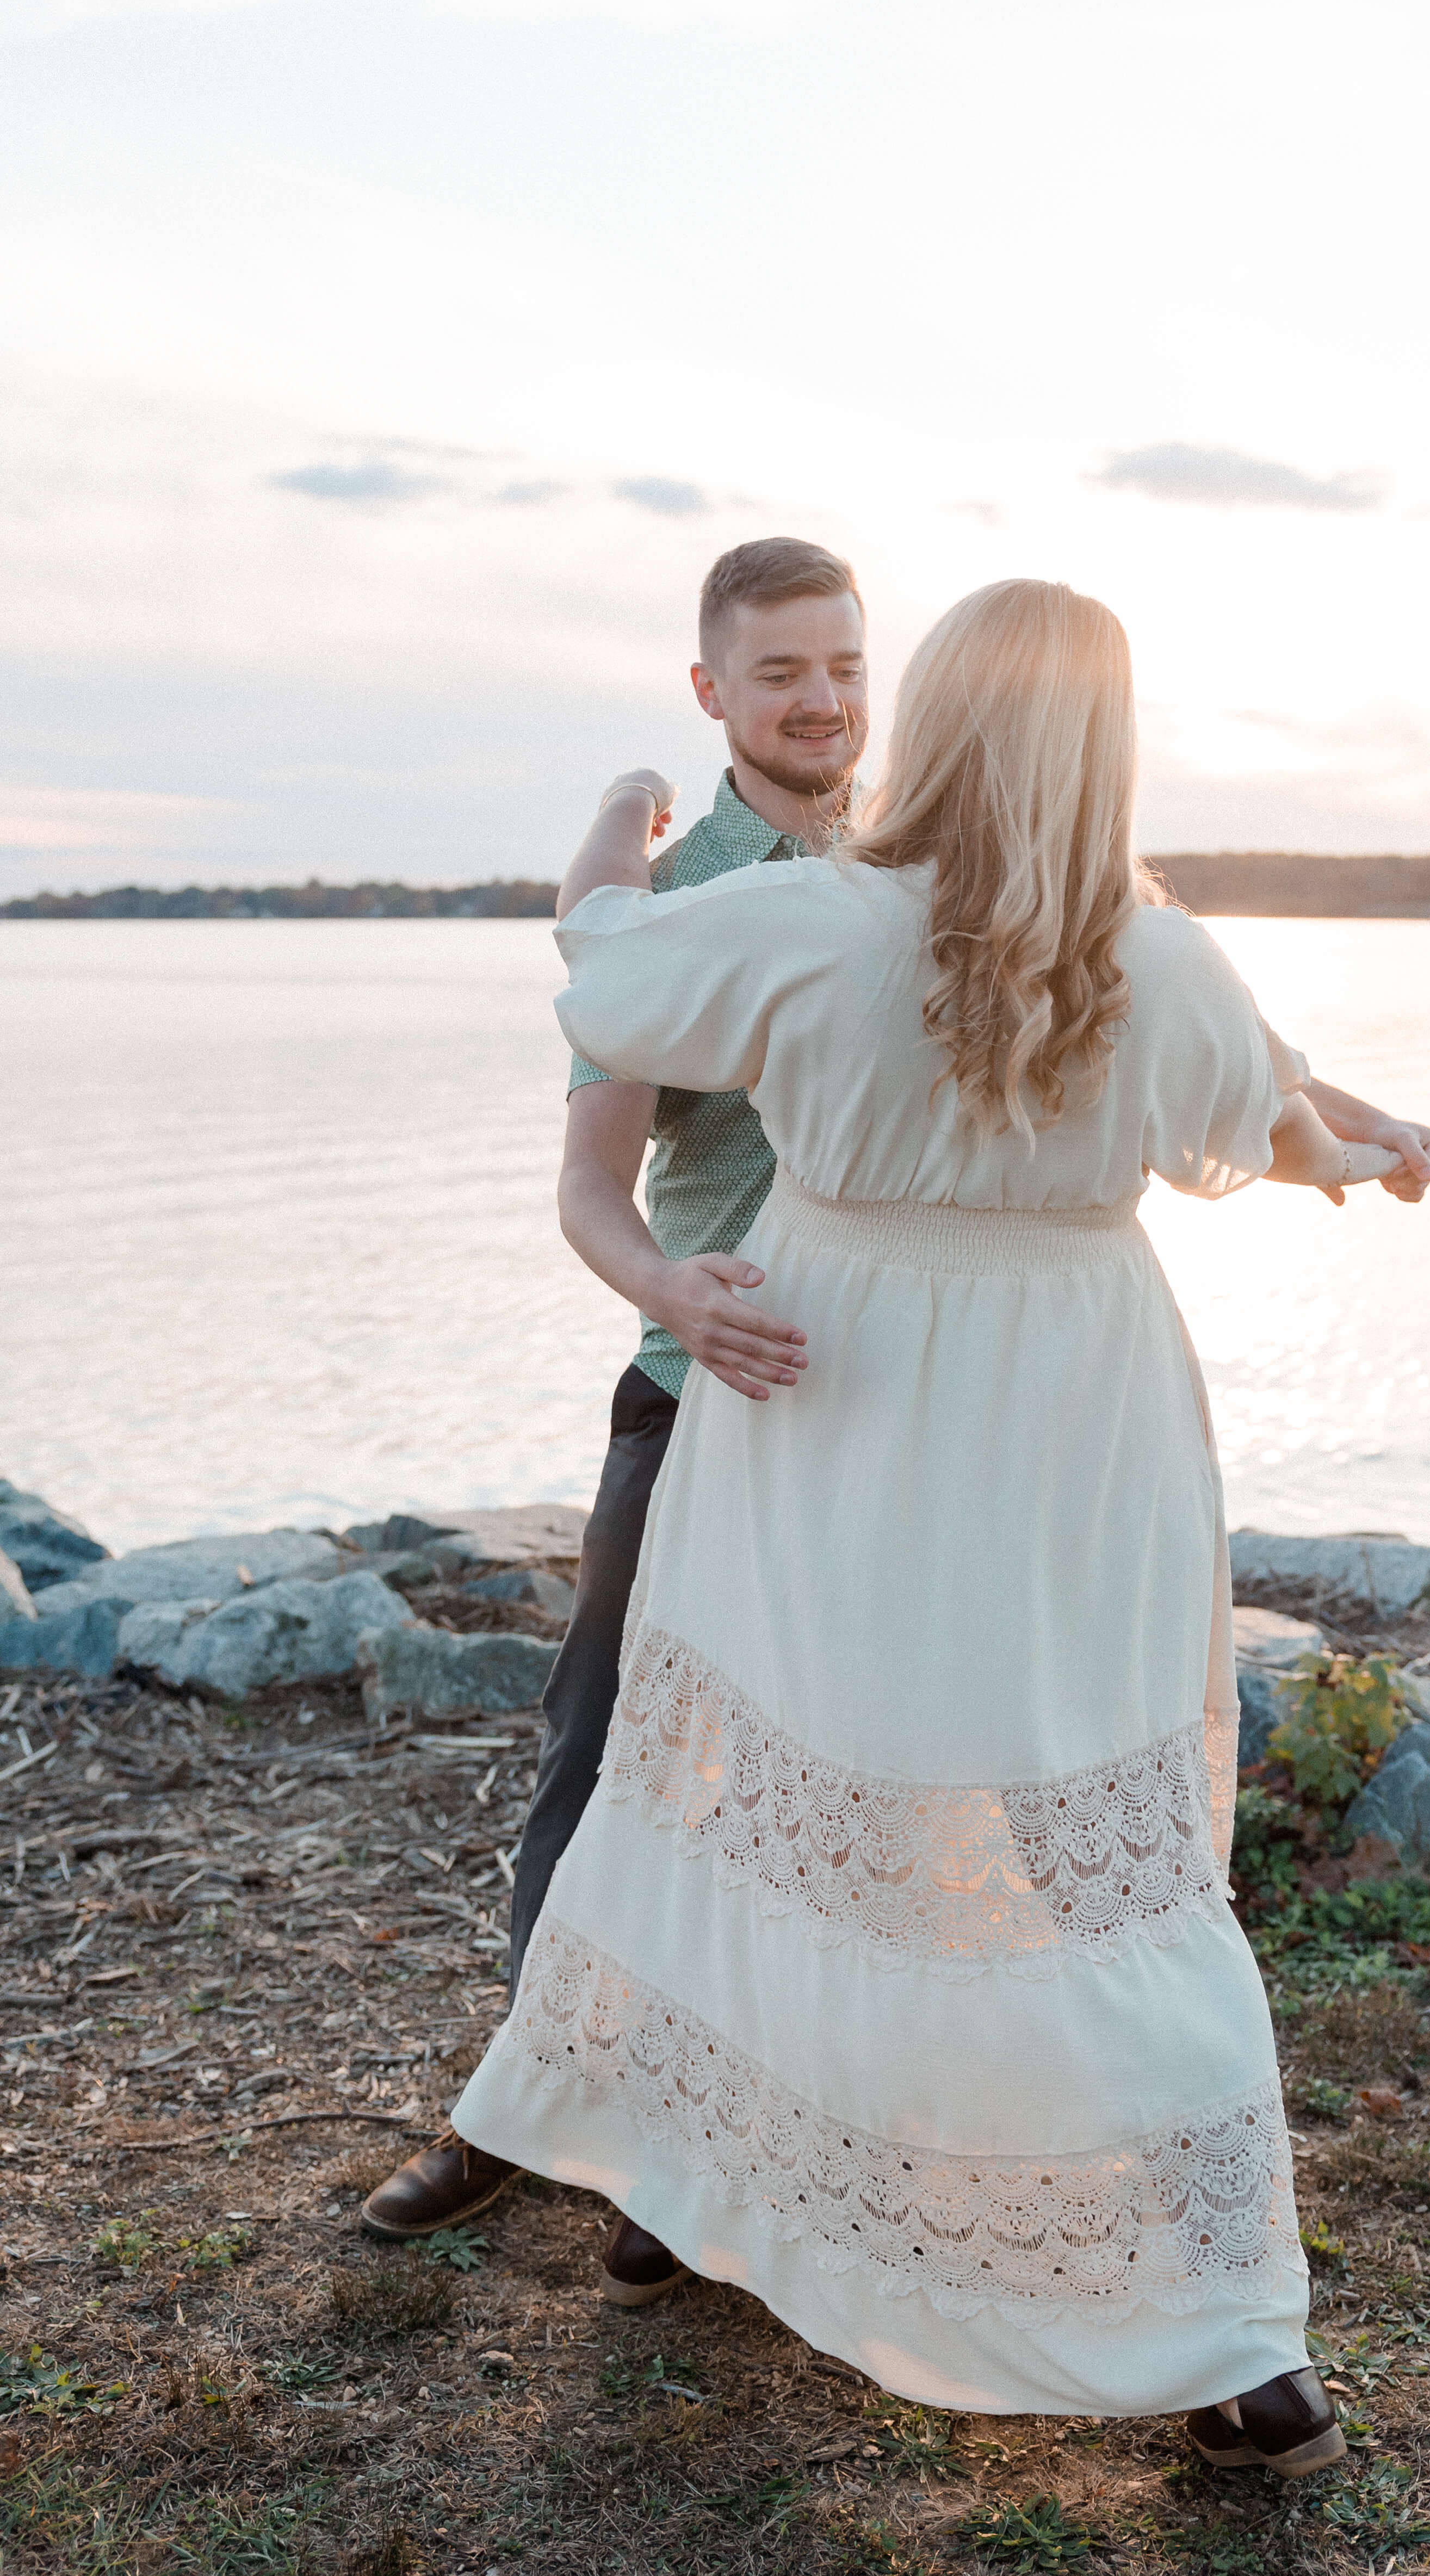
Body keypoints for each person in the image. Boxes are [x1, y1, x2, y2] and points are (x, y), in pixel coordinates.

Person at [448, 578, 1430, 2466]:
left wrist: (619, 809)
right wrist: (1375, 1153)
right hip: (1081, 1414)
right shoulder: (1158, 956)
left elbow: (598, 954)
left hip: (841, 1399)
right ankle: (1245, 2343)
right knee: (1100, 1852)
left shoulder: (818, 922)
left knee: (763, 1790)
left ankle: (712, 2187)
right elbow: (1282, 1133)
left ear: (938, 721)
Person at [359, 537, 871, 2273]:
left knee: (836, 1782)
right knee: (600, 1760)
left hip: (891, 1409)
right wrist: (668, 1289)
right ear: (712, 689)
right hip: (691, 1396)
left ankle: (714, 2152)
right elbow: (591, 1187)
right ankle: (523, 2113)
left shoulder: (923, 866)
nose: (822, 701)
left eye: (847, 667)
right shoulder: (665, 900)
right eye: (784, 671)